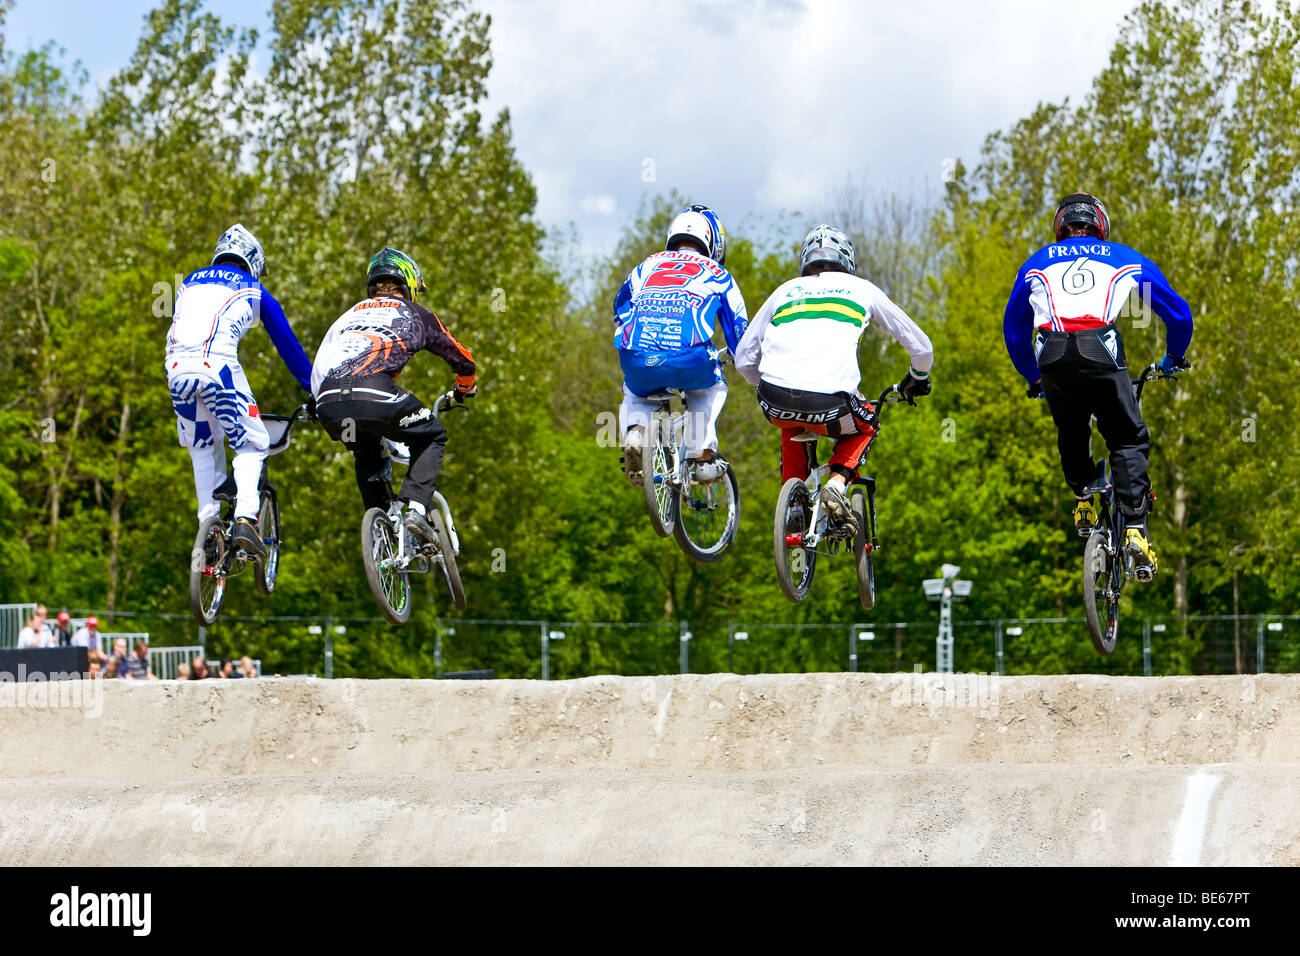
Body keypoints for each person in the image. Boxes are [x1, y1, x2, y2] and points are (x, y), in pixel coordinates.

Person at [1002, 192, 1192, 577]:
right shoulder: (1124, 256)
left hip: (1051, 353)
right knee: (1127, 437)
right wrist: (1173, 357)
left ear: (1060, 226)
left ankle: (1085, 494)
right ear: (1100, 224)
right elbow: (1179, 313)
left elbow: (1013, 329)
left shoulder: (1035, 262)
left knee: (1071, 427)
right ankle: (1136, 529)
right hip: (1099, 346)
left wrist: (1033, 377)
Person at [735, 224, 933, 527]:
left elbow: (743, 359)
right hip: (831, 401)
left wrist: (764, 386)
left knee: (791, 421)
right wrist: (917, 376)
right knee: (867, 425)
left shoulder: (785, 290)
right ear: (847, 260)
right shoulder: (863, 289)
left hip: (773, 400)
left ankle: (794, 506)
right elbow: (921, 347)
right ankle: (836, 484)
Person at [165, 224, 314, 558]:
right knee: (253, 441)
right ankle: (246, 515)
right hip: (216, 366)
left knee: (201, 445)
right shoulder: (254, 289)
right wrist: (312, 388)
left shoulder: (189, 281)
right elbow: (287, 345)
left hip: (175, 369)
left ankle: (208, 530)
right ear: (253, 261)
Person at [312, 247, 476, 546]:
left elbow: (321, 361)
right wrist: (465, 386)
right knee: (431, 436)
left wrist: (319, 402)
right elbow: (462, 358)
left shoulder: (346, 316)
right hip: (373, 393)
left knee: (367, 451)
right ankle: (415, 508)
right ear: (410, 282)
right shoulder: (416, 314)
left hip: (328, 400)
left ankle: (382, 533)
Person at [614, 203, 748, 484]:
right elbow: (737, 328)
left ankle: (635, 433)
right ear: (713, 241)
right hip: (688, 358)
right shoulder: (719, 274)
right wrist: (743, 360)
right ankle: (701, 455)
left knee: (635, 392)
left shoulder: (645, 265)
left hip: (639, 357)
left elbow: (620, 306)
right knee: (712, 385)